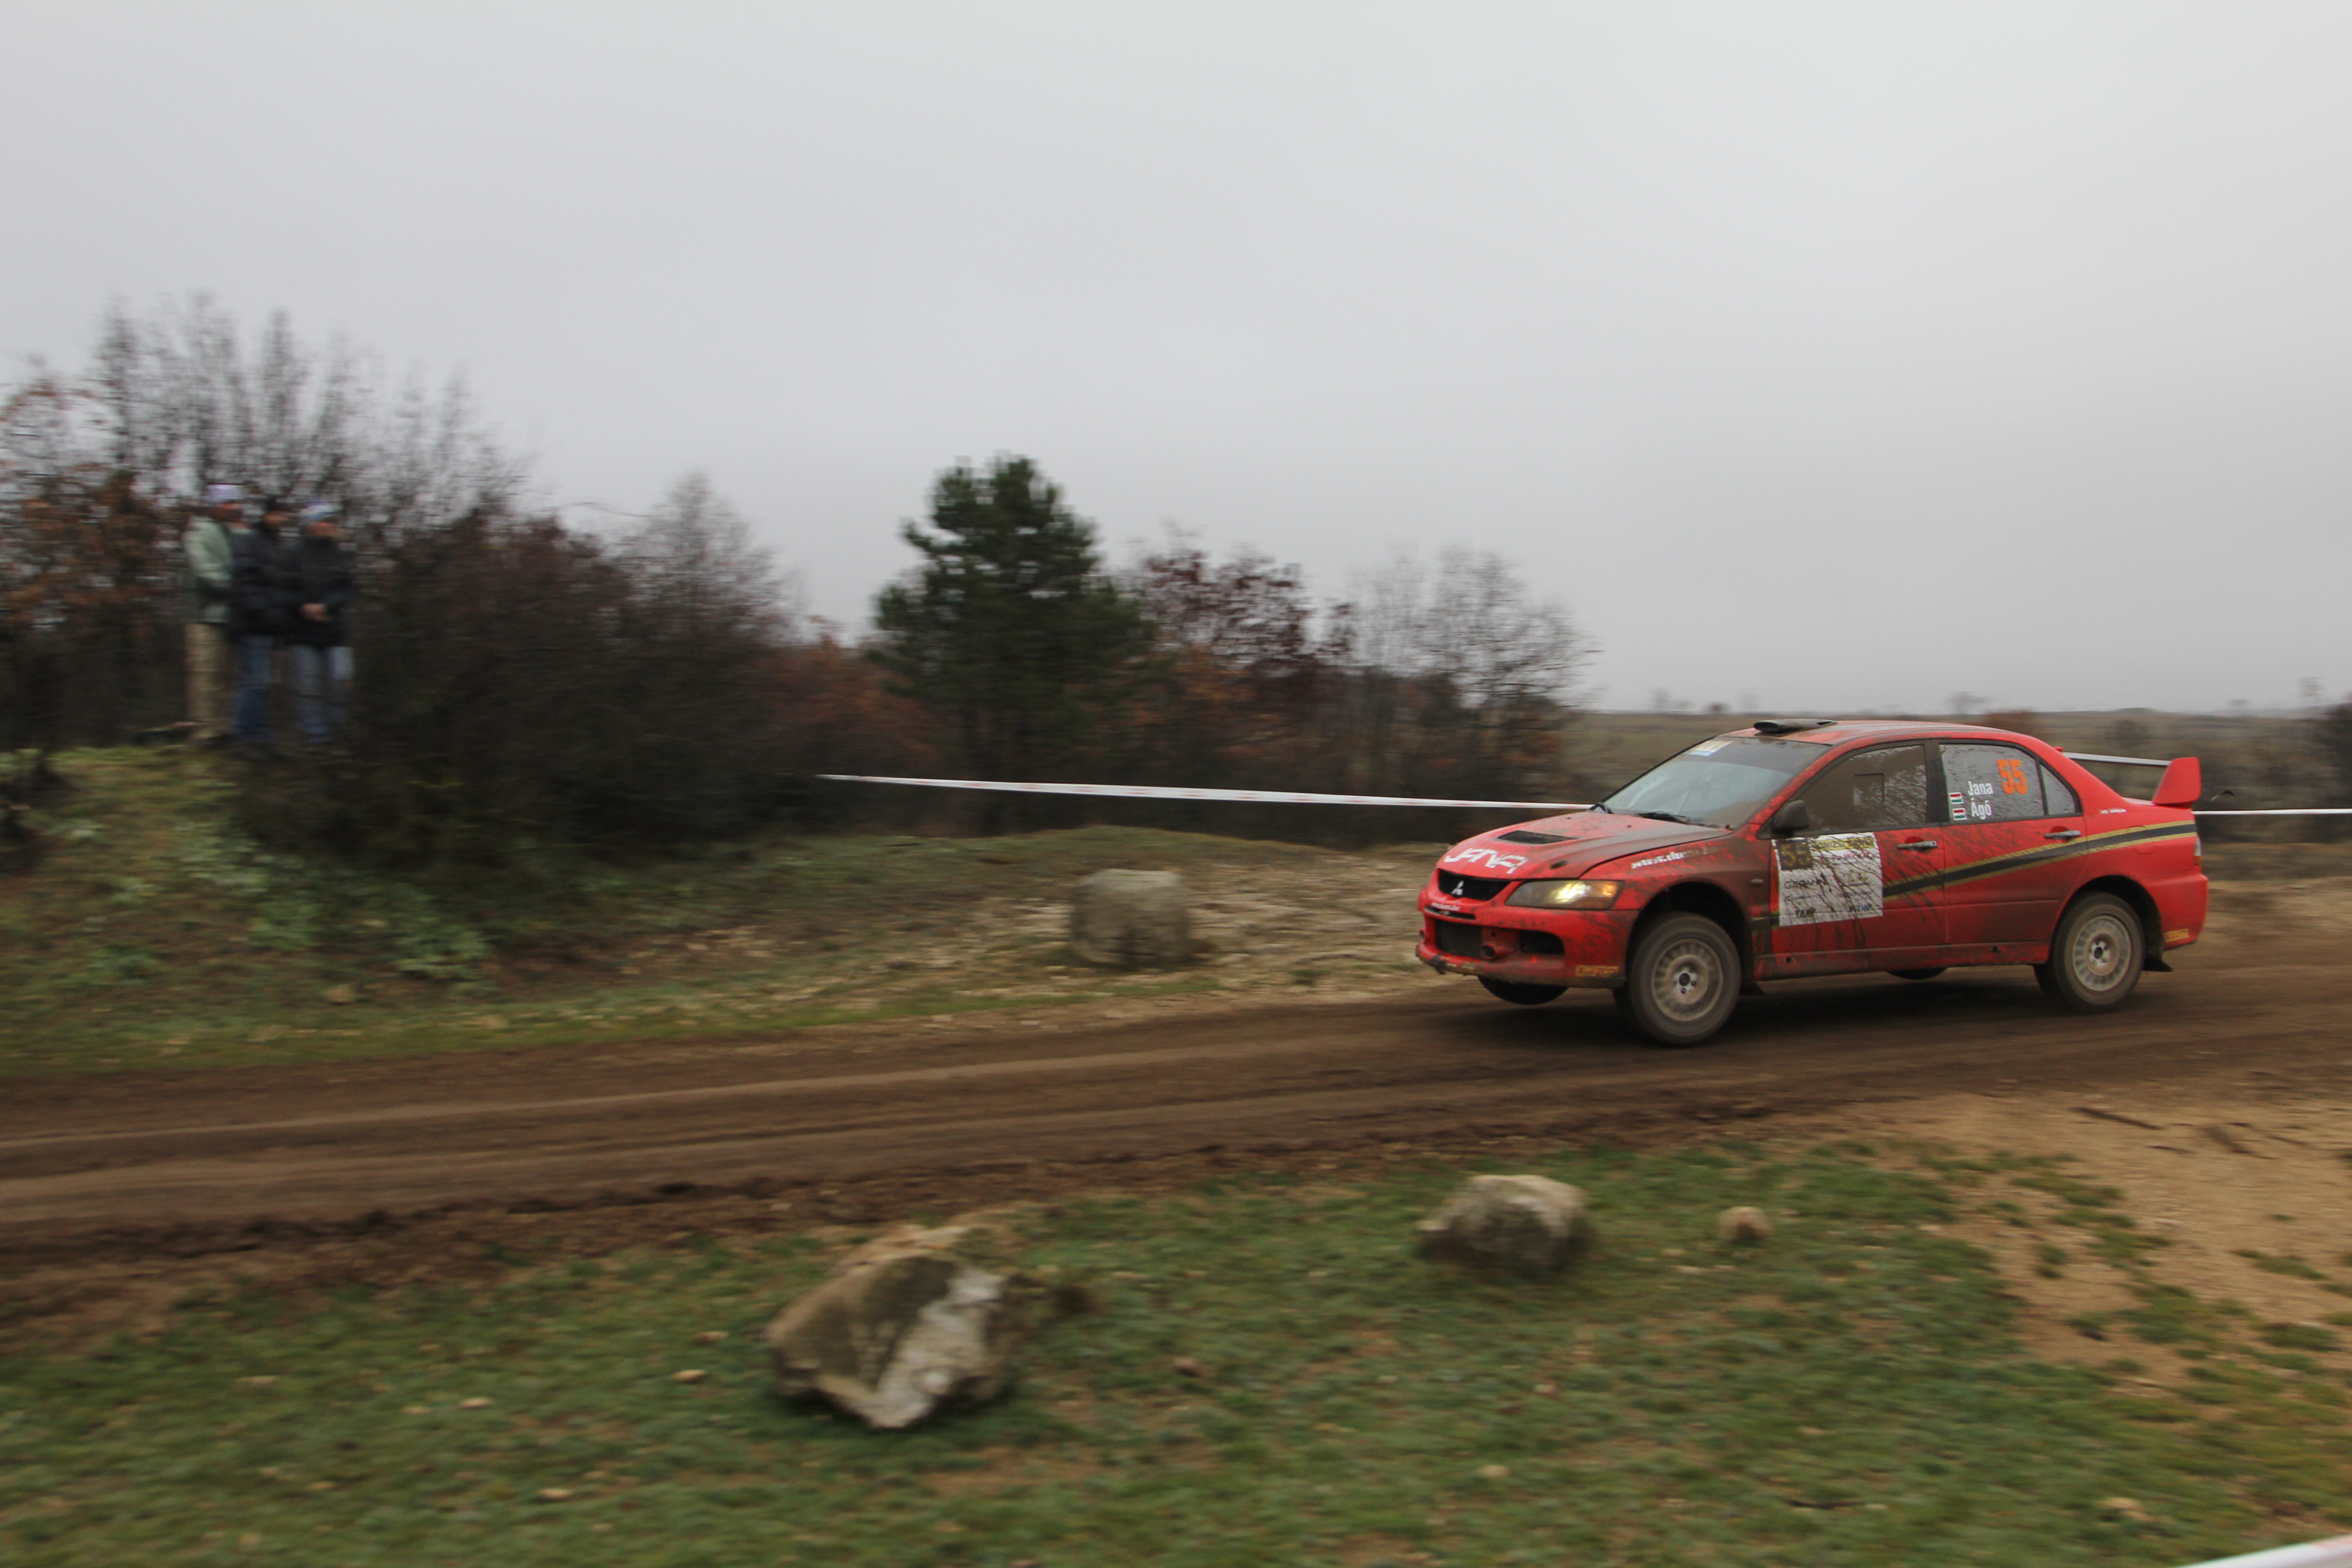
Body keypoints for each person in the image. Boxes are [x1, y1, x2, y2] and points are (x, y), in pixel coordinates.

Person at [227, 495, 296, 755]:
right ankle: (246, 739)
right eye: (278, 513)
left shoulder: (278, 546)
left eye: (284, 514)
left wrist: (281, 623)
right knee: (254, 683)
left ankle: (264, 738)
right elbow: (245, 582)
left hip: (273, 627)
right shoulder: (249, 541)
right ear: (268, 514)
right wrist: (260, 612)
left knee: (266, 684)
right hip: (253, 624)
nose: (282, 518)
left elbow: (284, 588)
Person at [284, 501, 357, 745]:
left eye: (331, 521)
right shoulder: (292, 554)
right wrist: (303, 606)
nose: (327, 526)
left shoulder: (343, 554)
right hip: (301, 631)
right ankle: (315, 737)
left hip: (336, 631)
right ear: (309, 524)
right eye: (323, 520)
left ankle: (338, 736)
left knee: (340, 681)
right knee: (307, 687)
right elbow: (284, 589)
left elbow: (350, 589)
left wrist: (326, 607)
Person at [179, 484, 246, 745]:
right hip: (203, 616)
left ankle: (224, 729)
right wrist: (241, 591)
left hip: (232, 615)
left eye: (236, 502)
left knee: (227, 676)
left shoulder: (238, 533)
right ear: (213, 505)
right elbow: (206, 573)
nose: (234, 507)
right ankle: (206, 733)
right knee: (206, 674)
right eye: (227, 502)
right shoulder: (197, 532)